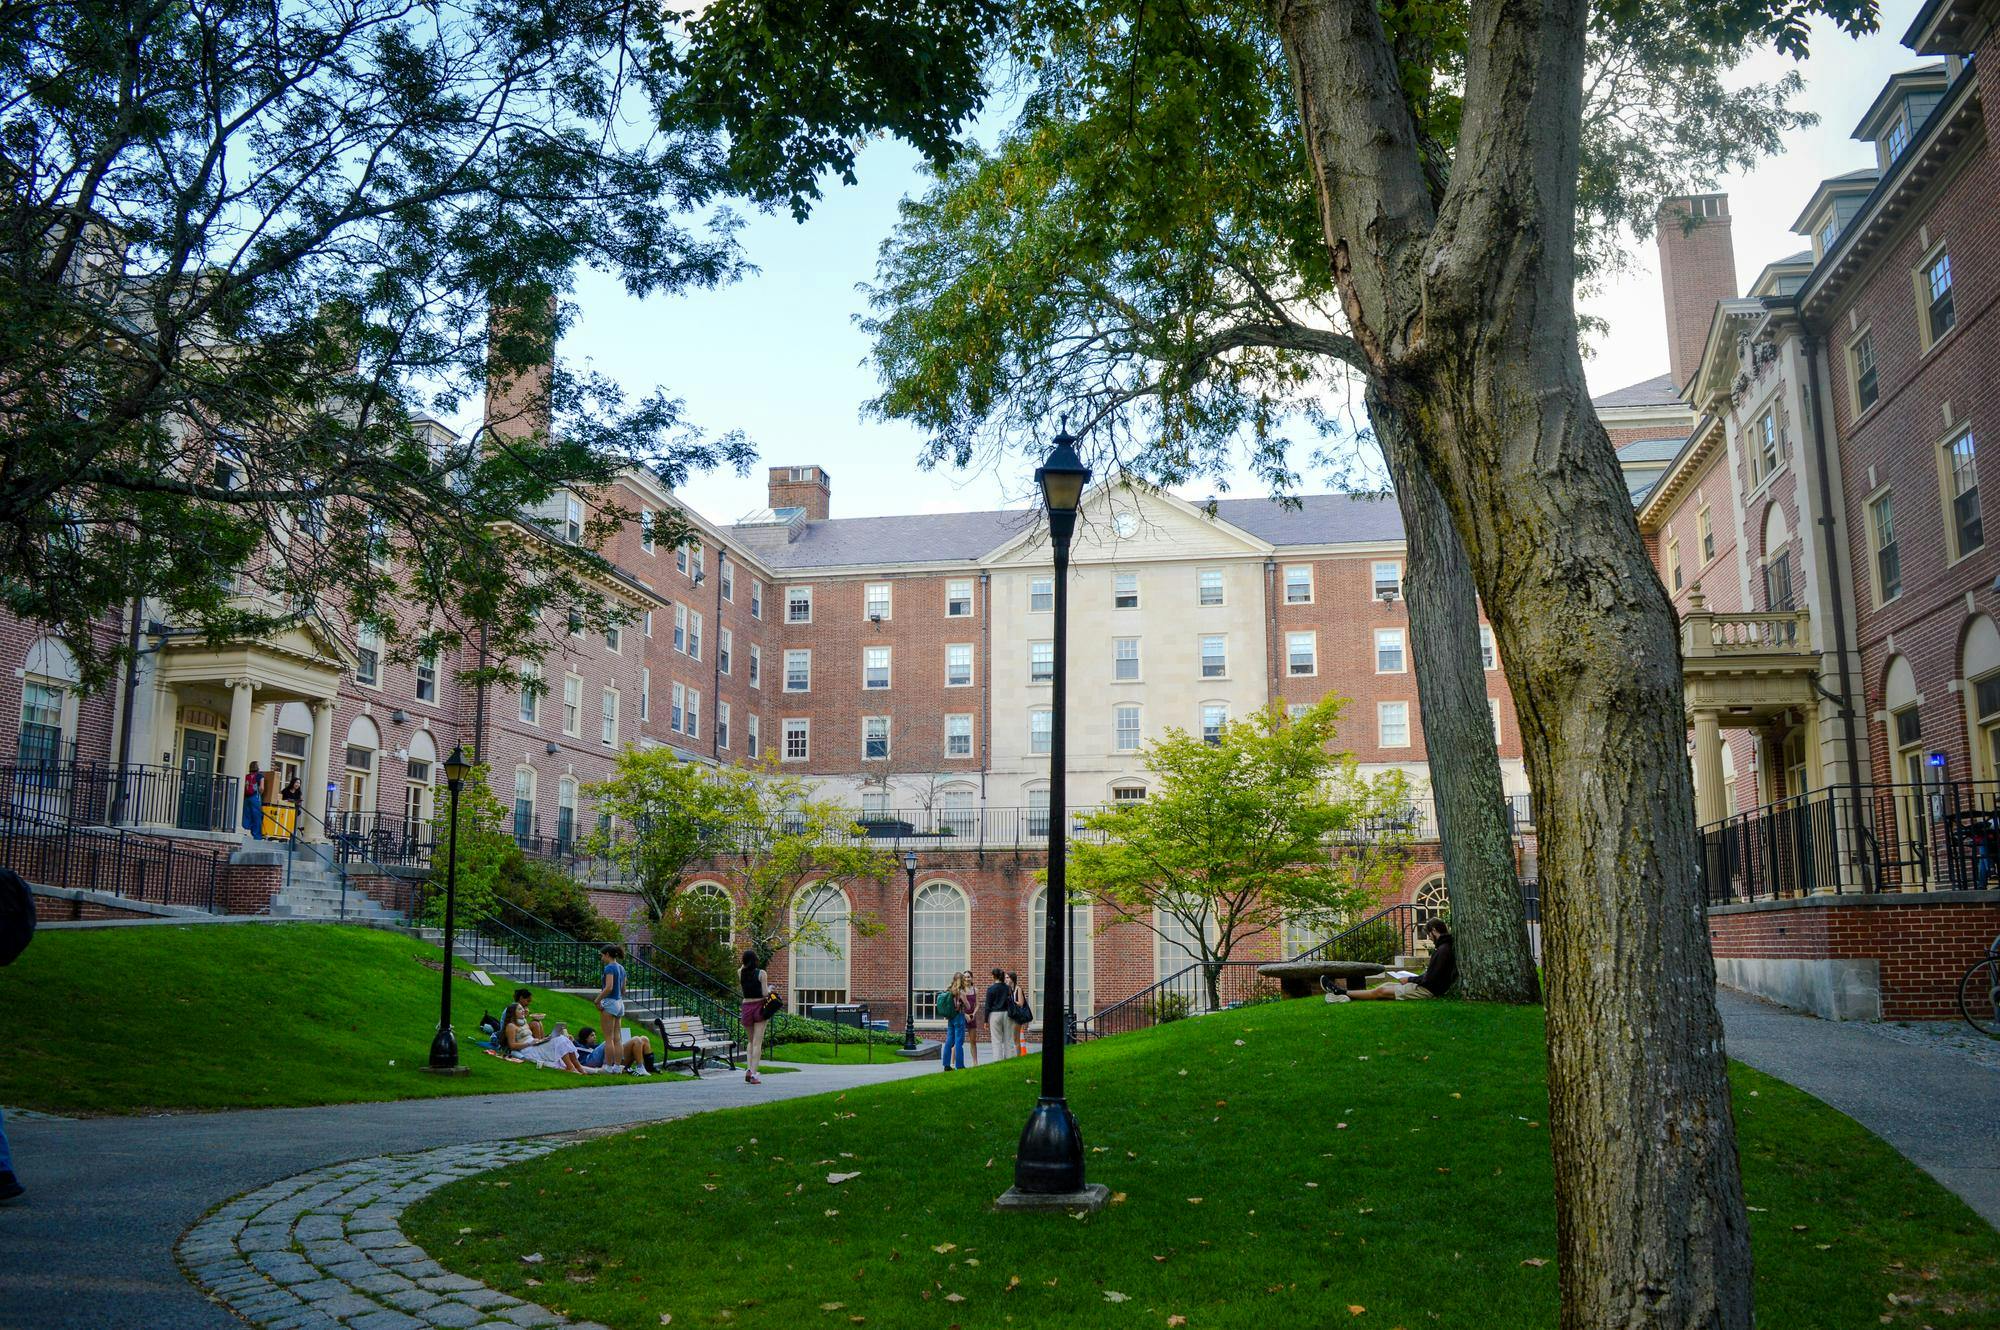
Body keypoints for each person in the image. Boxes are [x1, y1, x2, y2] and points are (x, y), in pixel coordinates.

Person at [1339, 920, 1458, 1001]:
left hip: (1428, 990)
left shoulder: (1443, 950)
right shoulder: (1443, 948)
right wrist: (1413, 978)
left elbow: (1430, 979)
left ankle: (1342, 992)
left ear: (1434, 930)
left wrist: (1409, 979)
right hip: (1426, 986)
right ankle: (1347, 994)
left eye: (1429, 934)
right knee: (1386, 985)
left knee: (1381, 991)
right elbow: (1431, 975)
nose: (1430, 938)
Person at [739, 949, 777, 1085]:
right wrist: (770, 989)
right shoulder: (762, 973)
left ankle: (748, 1069)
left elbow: (743, 968)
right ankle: (754, 1075)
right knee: (757, 1042)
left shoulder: (740, 972)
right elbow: (765, 993)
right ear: (756, 960)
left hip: (746, 1006)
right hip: (759, 1007)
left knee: (750, 1041)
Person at [575, 1026, 658, 1075]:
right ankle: (640, 1067)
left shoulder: (595, 1046)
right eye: (592, 1035)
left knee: (644, 1039)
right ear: (585, 1037)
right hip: (591, 1061)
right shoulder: (580, 1046)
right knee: (636, 1040)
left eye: (594, 1035)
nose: (595, 1037)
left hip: (617, 1062)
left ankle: (649, 1068)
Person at [595, 944, 628, 1066]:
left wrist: (597, 1000)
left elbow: (609, 987)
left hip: (610, 1002)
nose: (602, 958)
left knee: (609, 1038)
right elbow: (623, 990)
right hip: (620, 1003)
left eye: (602, 955)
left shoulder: (609, 968)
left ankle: (608, 1067)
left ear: (607, 954)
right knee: (617, 1038)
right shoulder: (621, 968)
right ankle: (617, 1067)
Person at [939, 973, 970, 1071]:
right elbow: (968, 1006)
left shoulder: (949, 990)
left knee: (949, 1041)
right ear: (962, 980)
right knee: (958, 1042)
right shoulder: (961, 992)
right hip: (959, 1017)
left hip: (950, 1018)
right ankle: (960, 1065)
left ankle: (946, 1065)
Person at [983, 967, 1014, 1061]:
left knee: (996, 1040)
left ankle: (998, 1060)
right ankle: (1009, 1059)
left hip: (995, 1014)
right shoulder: (1007, 988)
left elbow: (987, 1006)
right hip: (1007, 1014)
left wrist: (985, 1020)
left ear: (993, 976)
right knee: (1008, 1039)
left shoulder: (991, 989)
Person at [955, 970, 980, 1068]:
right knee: (958, 1041)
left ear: (972, 978)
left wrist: (973, 1014)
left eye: (968, 977)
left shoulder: (975, 990)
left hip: (972, 1017)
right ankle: (952, 1062)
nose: (966, 979)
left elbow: (977, 1004)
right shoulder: (960, 990)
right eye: (965, 977)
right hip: (961, 1016)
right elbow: (957, 1006)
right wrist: (965, 1015)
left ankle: (975, 1062)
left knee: (973, 1041)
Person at [242, 761, 265, 840]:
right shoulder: (260, 776)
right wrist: (260, 794)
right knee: (257, 816)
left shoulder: (246, 776)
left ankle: (246, 832)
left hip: (246, 798)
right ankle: (256, 836)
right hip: (255, 797)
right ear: (257, 767)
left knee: (247, 815)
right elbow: (261, 788)